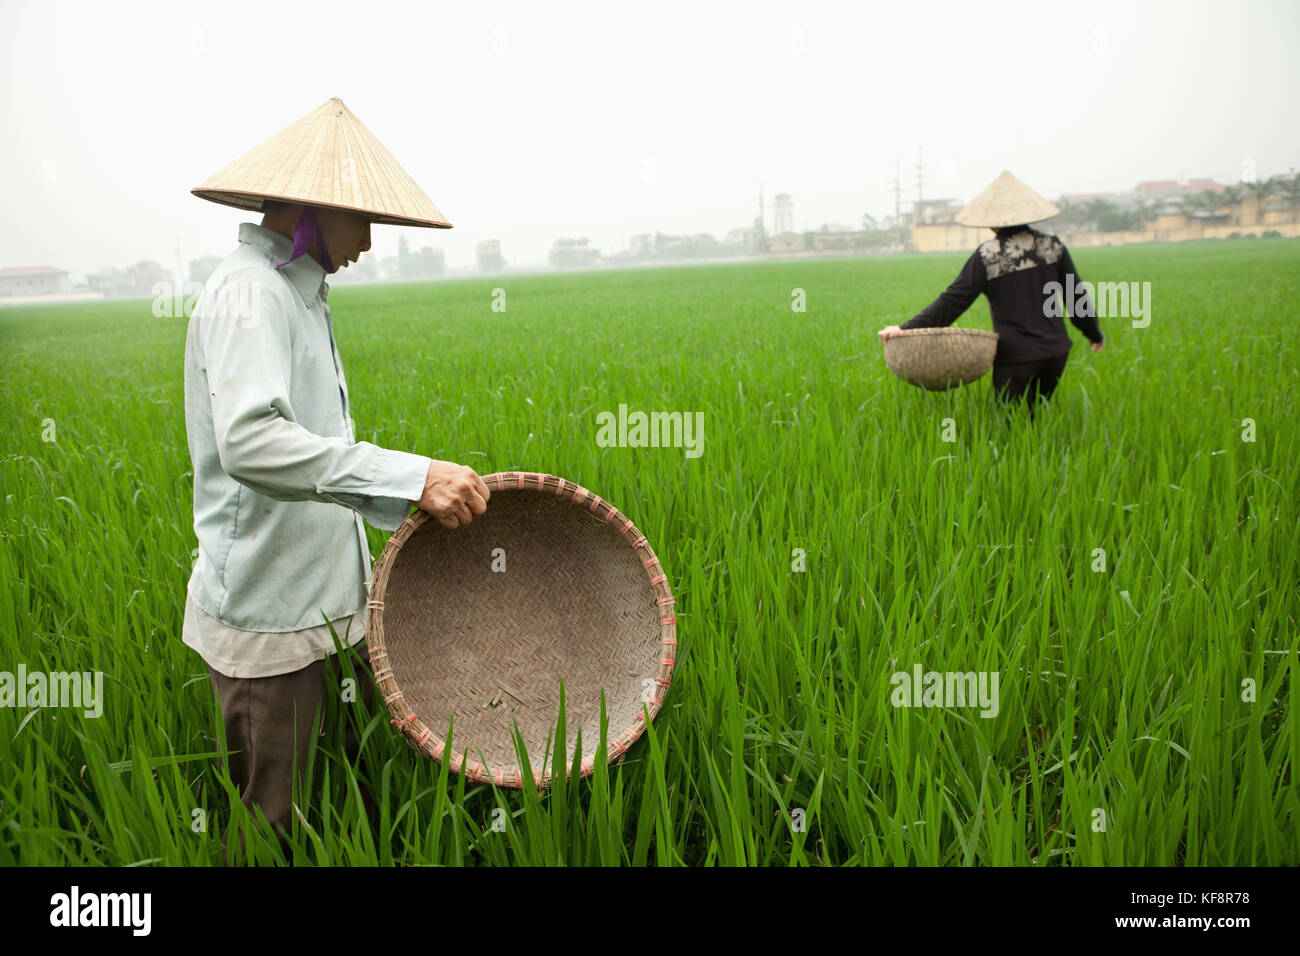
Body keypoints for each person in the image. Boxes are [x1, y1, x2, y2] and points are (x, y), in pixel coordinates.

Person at [184, 97, 489, 850]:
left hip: (324, 607)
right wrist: (410, 477)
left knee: (341, 809)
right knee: (276, 827)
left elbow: (311, 447)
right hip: (273, 615)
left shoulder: (297, 290)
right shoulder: (251, 293)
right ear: (312, 210)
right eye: (363, 220)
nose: (370, 242)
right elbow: (252, 443)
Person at [879, 171, 1104, 416]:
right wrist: (1093, 333)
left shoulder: (989, 255)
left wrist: (905, 329)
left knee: (1010, 428)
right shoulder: (1052, 247)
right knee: (1036, 417)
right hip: (1055, 352)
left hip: (1015, 357)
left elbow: (954, 301)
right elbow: (1075, 296)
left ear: (991, 221)